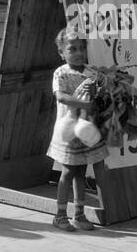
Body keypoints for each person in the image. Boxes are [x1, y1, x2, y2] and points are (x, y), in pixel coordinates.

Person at [46, 24, 108, 231]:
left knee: (81, 171)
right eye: (72, 49)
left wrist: (98, 97)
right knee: (68, 171)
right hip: (68, 132)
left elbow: (100, 99)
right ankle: (60, 215)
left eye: (82, 48)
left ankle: (79, 215)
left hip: (86, 131)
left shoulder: (92, 73)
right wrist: (84, 104)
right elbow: (61, 96)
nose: (79, 53)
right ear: (61, 52)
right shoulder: (61, 73)